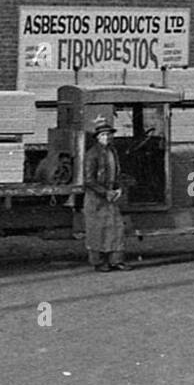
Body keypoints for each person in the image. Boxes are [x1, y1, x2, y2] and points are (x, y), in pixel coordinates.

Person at [83, 116, 128, 271]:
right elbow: (89, 179)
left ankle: (116, 261)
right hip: (96, 198)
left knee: (116, 229)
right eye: (103, 135)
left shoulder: (113, 152)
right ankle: (99, 263)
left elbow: (118, 173)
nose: (106, 137)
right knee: (97, 230)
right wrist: (105, 192)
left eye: (109, 134)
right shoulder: (92, 154)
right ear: (97, 138)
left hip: (111, 196)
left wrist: (119, 189)